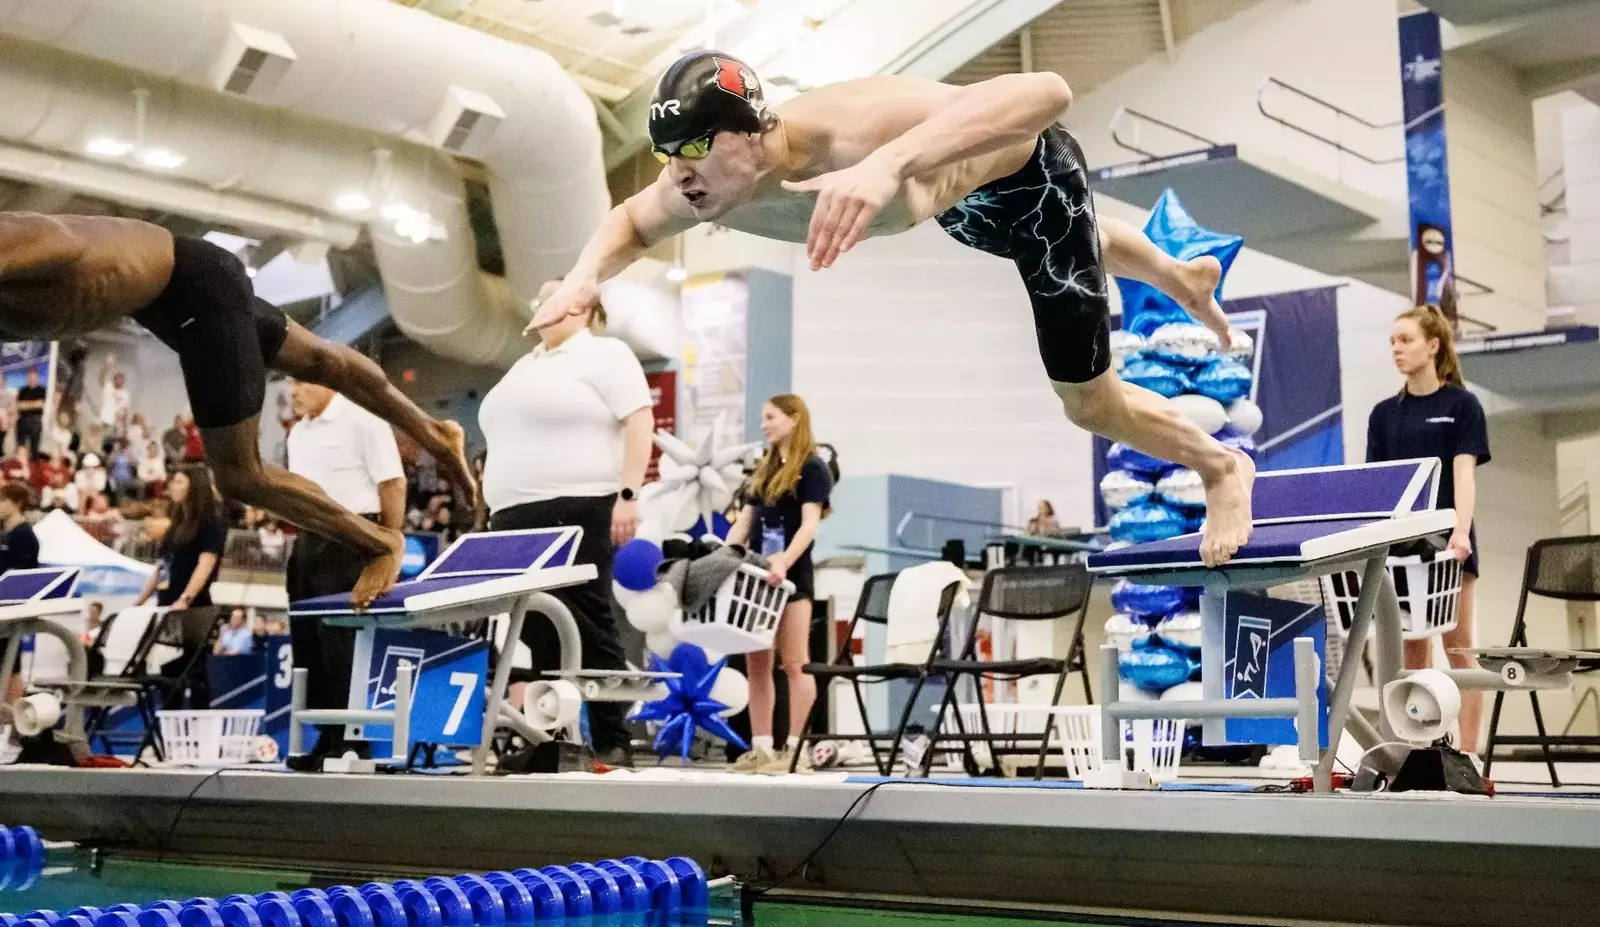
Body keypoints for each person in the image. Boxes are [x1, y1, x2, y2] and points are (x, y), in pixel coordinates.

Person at [528, 51, 1254, 567]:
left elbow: (1048, 93)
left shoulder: (854, 129)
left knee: (1088, 405)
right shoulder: (696, 185)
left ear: (753, 130)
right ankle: (1175, 274)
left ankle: (1220, 467)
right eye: (665, 152)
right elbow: (626, 219)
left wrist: (890, 161)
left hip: (1032, 179)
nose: (677, 173)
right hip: (962, 207)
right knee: (1018, 234)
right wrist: (583, 278)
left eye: (692, 147)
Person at [0, 215, 477, 606]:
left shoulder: (18, 240)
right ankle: (436, 431)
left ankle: (380, 542)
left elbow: (59, 237)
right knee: (322, 360)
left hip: (195, 298)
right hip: (190, 281)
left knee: (239, 476)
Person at [478, 279, 654, 768]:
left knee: (586, 621)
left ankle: (611, 736)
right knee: (536, 628)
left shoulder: (606, 354)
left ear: (581, 305)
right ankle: (553, 738)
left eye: (550, 295)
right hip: (513, 515)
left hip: (577, 505)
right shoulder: (523, 365)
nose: (540, 303)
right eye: (538, 296)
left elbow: (640, 421)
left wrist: (628, 494)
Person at [1366, 304, 1490, 756]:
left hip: (1450, 545)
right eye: (1393, 342)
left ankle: (1471, 753)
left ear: (1433, 346)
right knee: (1410, 654)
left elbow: (1464, 475)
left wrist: (1460, 531)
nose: (1397, 349)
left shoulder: (1462, 405)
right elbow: (1379, 488)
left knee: (1458, 647)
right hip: (1400, 548)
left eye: (1406, 340)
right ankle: (1412, 751)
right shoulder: (1384, 415)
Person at [282, 379, 407, 771]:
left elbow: (392, 482)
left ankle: (355, 739)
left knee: (340, 643)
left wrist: (386, 544)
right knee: (307, 643)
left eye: (299, 381)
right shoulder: (297, 434)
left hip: (354, 537)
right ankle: (327, 732)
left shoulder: (364, 419)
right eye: (287, 382)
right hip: (308, 539)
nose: (292, 391)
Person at [723, 394, 833, 774]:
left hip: (791, 578)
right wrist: (724, 557)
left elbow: (809, 525)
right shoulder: (764, 470)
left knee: (795, 663)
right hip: (758, 580)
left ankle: (797, 751)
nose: (764, 424)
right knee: (757, 664)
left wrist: (784, 561)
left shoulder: (813, 469)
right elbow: (745, 523)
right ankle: (762, 748)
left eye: (770, 417)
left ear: (793, 419)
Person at [133, 465, 229, 709]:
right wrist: (141, 600)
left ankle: (198, 730)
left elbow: (206, 563)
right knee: (169, 669)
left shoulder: (210, 521)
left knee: (194, 671)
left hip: (193, 608)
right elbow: (161, 566)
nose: (172, 486)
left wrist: (186, 598)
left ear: (193, 485)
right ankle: (168, 731)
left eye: (178, 481)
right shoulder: (176, 523)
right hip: (167, 604)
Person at [0, 481, 40, 708]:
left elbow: (24, 576)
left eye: (3, 500)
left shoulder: (25, 536)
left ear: (17, 503)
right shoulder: (2, 532)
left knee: (10, 664)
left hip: (11, 608)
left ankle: (16, 720)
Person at [14, 368, 46, 456]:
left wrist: (26, 405)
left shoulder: (42, 390)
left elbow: (40, 404)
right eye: (30, 377)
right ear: (28, 378)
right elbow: (19, 405)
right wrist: (33, 404)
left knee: (35, 447)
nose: (32, 379)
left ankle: (34, 465)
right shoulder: (22, 390)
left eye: (34, 377)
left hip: (35, 420)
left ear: (37, 378)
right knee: (20, 446)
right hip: (22, 420)